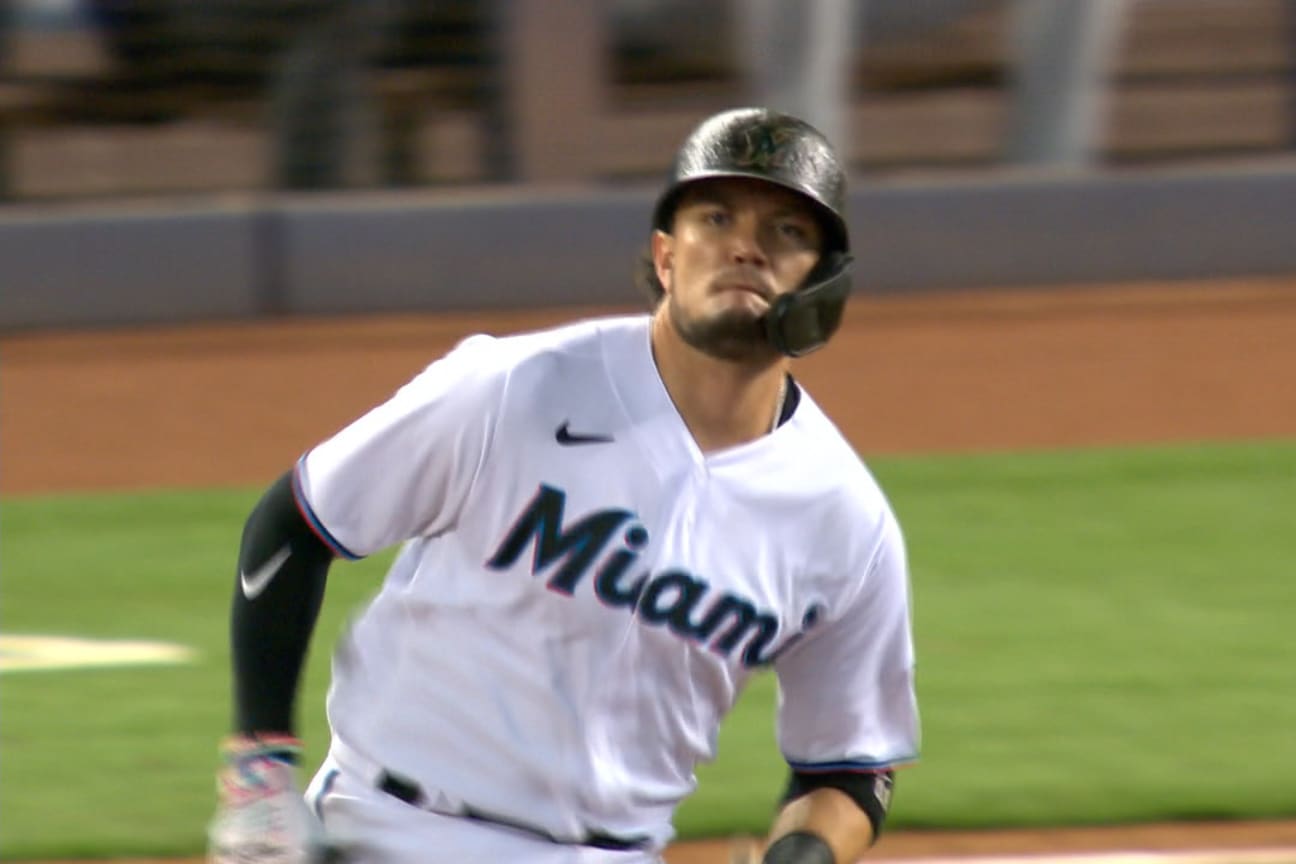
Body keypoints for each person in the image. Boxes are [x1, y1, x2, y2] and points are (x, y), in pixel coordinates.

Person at [207, 106, 920, 864]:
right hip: (392, 831)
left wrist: (803, 856)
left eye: (787, 232)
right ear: (666, 255)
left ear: (827, 284)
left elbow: (850, 765)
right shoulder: (509, 389)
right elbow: (294, 527)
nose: (745, 246)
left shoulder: (844, 519)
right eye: (715, 218)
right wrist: (260, 773)